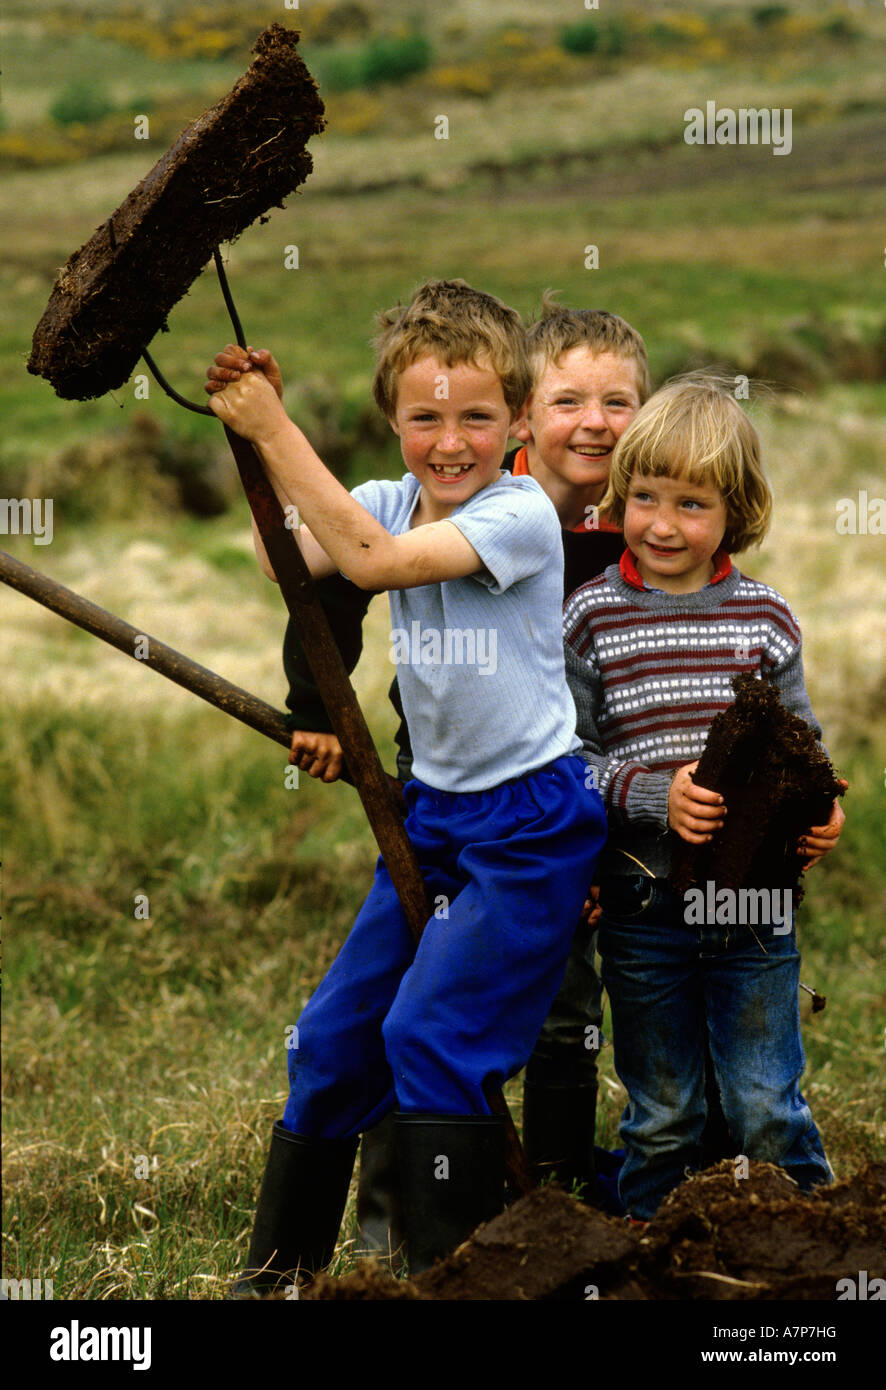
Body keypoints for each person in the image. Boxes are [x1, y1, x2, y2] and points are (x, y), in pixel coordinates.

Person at [205, 279, 608, 1285]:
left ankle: (444, 1279)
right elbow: (287, 560)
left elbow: (373, 562)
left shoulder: (519, 513)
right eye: (424, 418)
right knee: (332, 1041)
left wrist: (276, 429)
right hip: (430, 819)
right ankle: (280, 1279)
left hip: (529, 827)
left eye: (477, 418)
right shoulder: (383, 499)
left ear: (519, 423)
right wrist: (259, 442)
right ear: (392, 419)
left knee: (431, 1036)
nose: (450, 442)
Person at [562, 373, 845, 1221]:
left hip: (754, 905)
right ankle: (652, 1259)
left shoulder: (765, 618)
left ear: (735, 511)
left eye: (692, 505)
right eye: (645, 497)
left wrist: (823, 809)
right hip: (642, 904)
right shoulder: (591, 618)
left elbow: (802, 746)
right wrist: (655, 795)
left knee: (765, 1106)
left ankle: (817, 1250)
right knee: (664, 1116)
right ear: (620, 495)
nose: (662, 524)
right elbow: (569, 759)